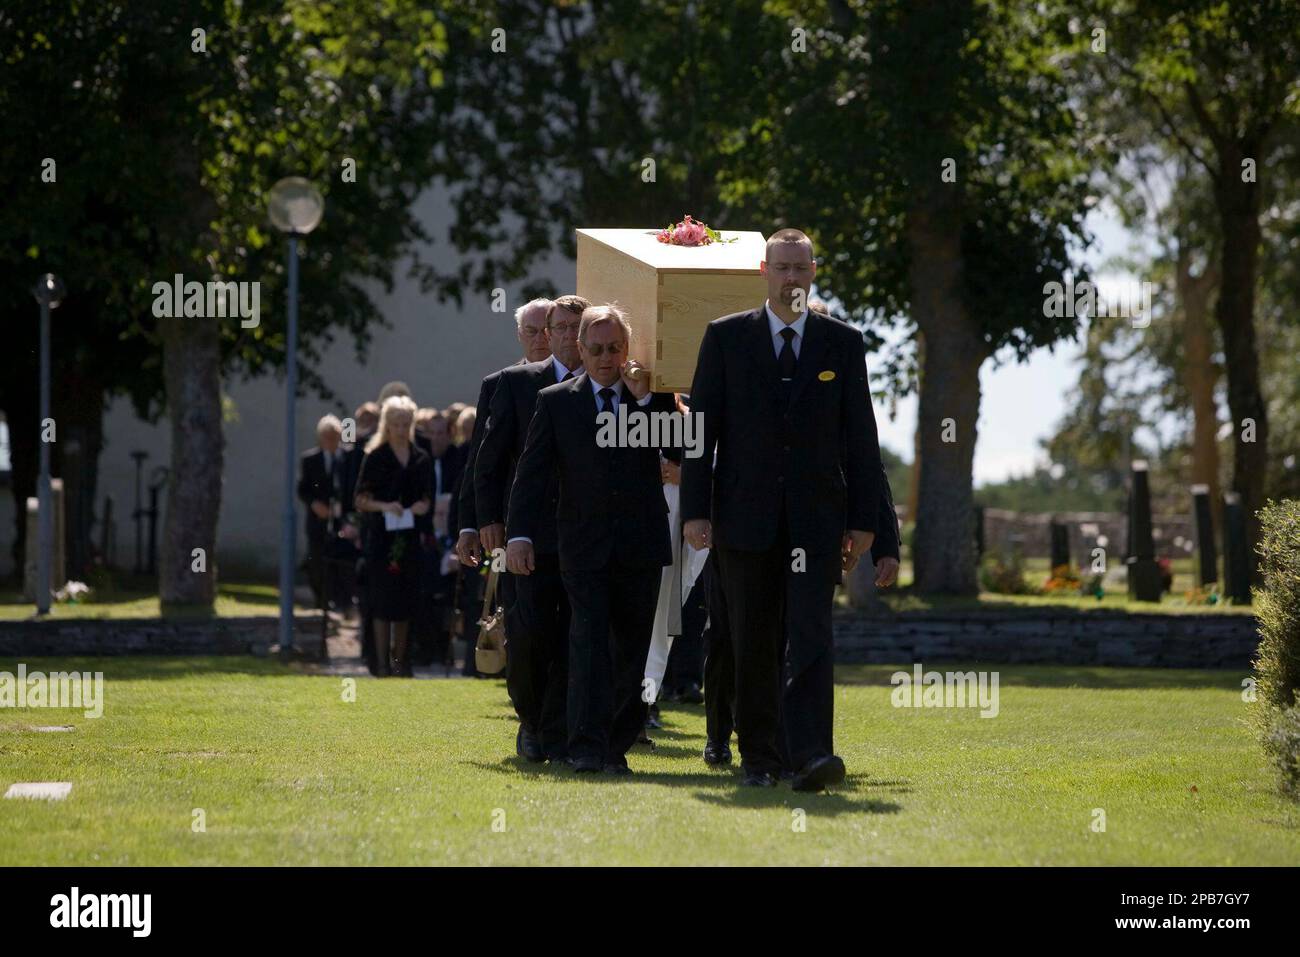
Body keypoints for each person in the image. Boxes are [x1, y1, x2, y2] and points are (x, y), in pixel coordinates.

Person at [682, 227, 884, 792]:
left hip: (817, 522)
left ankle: (813, 753)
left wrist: (864, 519)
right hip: (744, 521)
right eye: (782, 268)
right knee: (752, 640)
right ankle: (760, 758)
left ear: (814, 272)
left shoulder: (842, 342)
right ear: (763, 272)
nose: (792, 278)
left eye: (801, 268)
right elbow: (701, 432)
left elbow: (860, 435)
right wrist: (696, 511)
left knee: (813, 638)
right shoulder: (725, 338)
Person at [506, 304, 676, 775]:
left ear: (626, 350)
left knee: (631, 650)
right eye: (596, 348)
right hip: (582, 546)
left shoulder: (651, 398)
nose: (606, 357)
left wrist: (644, 402)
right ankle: (584, 744)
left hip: (640, 544)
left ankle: (615, 745)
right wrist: (518, 535)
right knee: (586, 643)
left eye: (615, 348)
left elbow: (685, 448)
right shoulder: (557, 401)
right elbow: (531, 474)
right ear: (580, 349)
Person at [475, 294, 589, 762]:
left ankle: (556, 729)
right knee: (527, 633)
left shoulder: (609, 384)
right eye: (553, 329)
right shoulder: (516, 384)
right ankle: (530, 718)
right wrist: (484, 523)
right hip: (528, 535)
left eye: (568, 329)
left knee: (575, 636)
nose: (558, 337)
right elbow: (488, 462)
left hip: (584, 535)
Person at [453, 297, 554, 676]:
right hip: (513, 522)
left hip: (564, 518)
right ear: (519, 336)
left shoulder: (579, 381)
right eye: (532, 331)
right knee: (519, 613)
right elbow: (481, 460)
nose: (541, 338)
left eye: (549, 328)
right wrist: (472, 523)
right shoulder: (500, 384)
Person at [353, 395, 432, 677]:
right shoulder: (375, 457)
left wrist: (422, 506)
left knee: (406, 600)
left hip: (409, 539)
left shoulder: (421, 458)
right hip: (381, 539)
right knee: (381, 601)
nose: (401, 428)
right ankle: (382, 664)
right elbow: (360, 499)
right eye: (396, 423)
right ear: (387, 425)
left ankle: (401, 662)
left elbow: (427, 497)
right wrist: (385, 506)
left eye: (406, 423)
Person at [298, 415, 347, 611]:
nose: (330, 441)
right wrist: (314, 504)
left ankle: (338, 599)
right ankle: (321, 599)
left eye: (334, 436)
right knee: (316, 559)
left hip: (340, 519)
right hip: (318, 518)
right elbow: (303, 489)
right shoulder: (310, 459)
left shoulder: (346, 458)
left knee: (339, 560)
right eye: (326, 437)